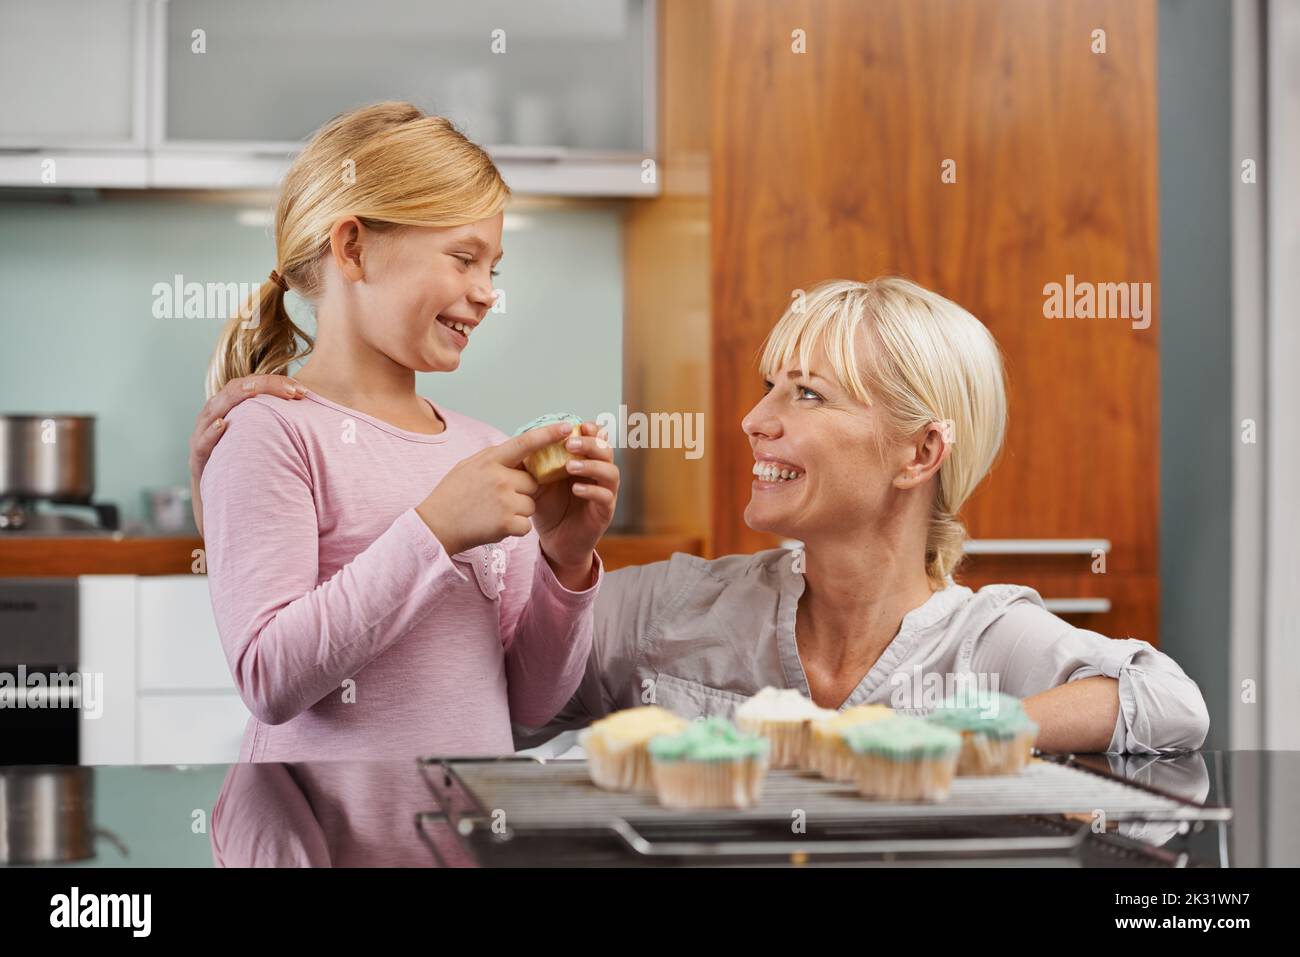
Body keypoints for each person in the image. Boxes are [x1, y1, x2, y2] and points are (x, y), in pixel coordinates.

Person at [197, 102, 619, 763]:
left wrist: (564, 563)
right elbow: (269, 679)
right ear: (353, 247)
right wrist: (434, 531)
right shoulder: (270, 432)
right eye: (463, 257)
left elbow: (531, 704)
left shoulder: (482, 451)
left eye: (493, 268)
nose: (485, 292)